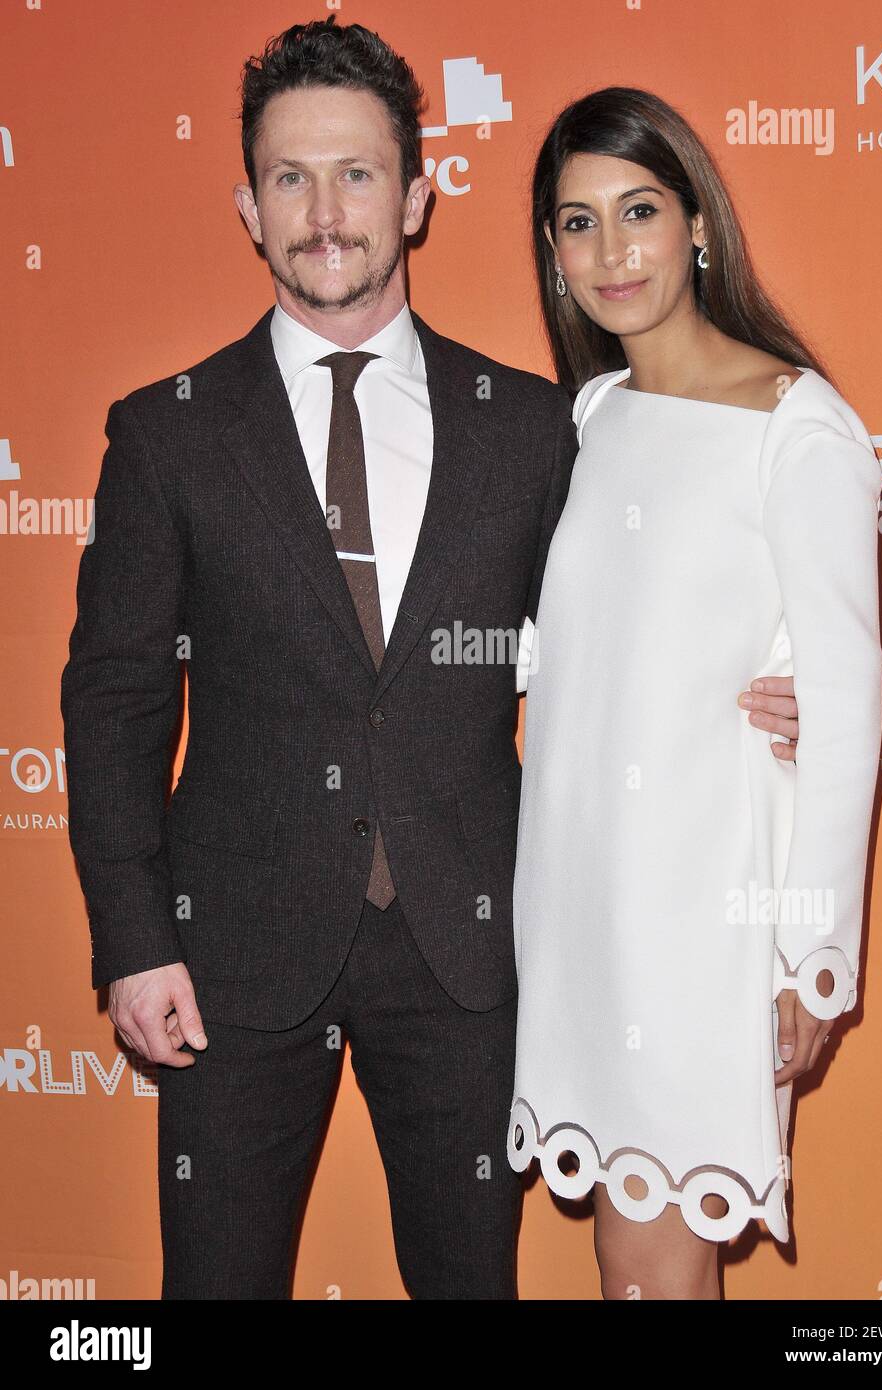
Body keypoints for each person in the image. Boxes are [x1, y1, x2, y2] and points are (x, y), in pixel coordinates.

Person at [60, 21, 799, 1300]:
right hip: (229, 953)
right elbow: (116, 697)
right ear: (246, 205)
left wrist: (752, 695)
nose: (325, 212)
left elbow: (606, 634)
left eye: (355, 175)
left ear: (415, 196)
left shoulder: (529, 427)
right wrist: (132, 939)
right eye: (290, 178)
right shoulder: (167, 434)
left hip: (472, 948)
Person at [508, 87, 882, 1300]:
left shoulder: (798, 427)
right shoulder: (591, 416)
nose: (611, 253)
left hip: (708, 912)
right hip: (583, 903)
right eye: (575, 224)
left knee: (654, 1261)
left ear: (698, 226)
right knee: (637, 1261)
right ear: (553, 255)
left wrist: (811, 957)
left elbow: (847, 703)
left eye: (638, 212)